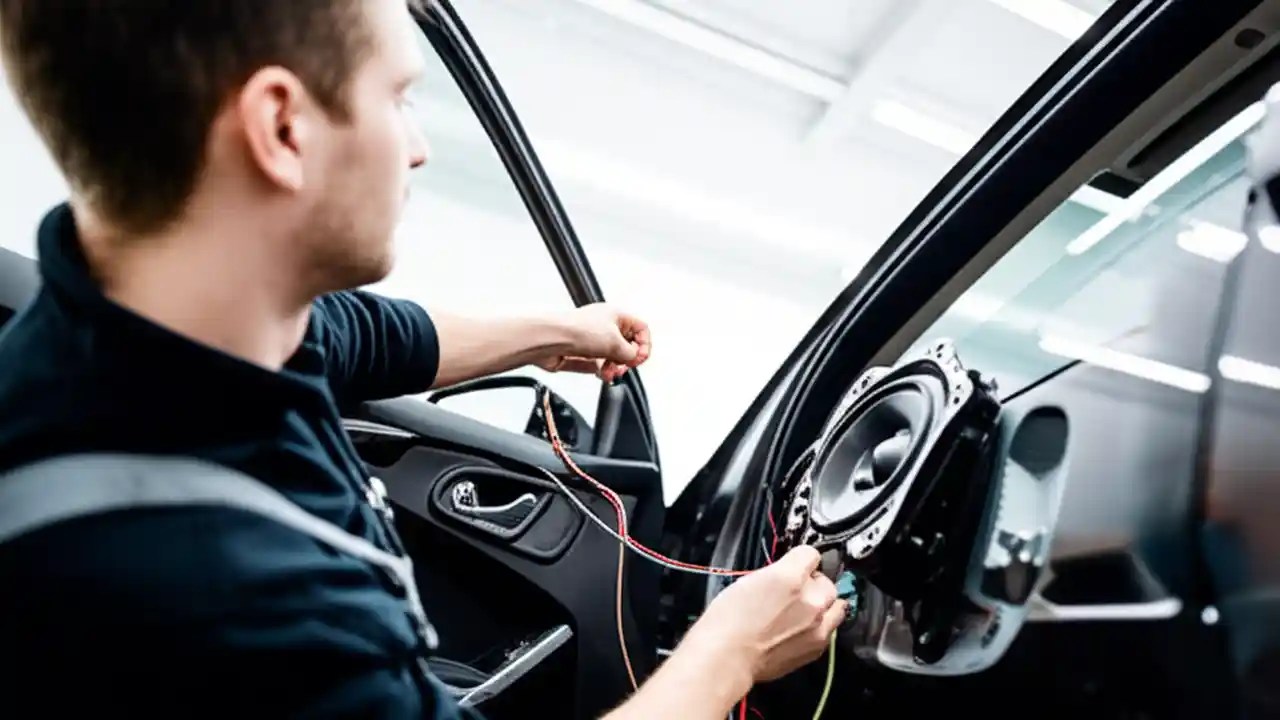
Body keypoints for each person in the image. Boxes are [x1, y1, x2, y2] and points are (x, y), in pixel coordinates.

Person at [0, 0, 846, 717]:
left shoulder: (149, 335)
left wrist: (559, 331)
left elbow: (362, 337)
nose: (417, 146)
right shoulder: (226, 592)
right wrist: (733, 649)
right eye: (398, 97)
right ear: (282, 129)